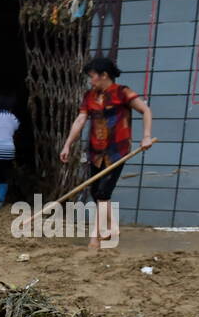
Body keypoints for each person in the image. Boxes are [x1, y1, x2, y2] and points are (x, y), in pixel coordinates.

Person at [58, 57, 154, 250]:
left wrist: (146, 136)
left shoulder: (122, 93)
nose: (91, 81)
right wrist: (67, 144)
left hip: (117, 152)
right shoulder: (89, 96)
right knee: (96, 192)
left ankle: (95, 238)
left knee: (103, 193)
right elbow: (80, 120)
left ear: (104, 75)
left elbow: (145, 110)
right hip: (95, 151)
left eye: (93, 77)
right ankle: (113, 227)